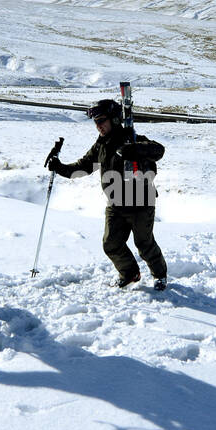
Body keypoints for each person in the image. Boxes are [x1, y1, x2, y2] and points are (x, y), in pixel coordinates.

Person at [48, 98, 168, 290]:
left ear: (113, 119)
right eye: (95, 122)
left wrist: (135, 149)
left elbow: (159, 150)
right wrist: (59, 167)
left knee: (144, 244)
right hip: (116, 203)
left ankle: (160, 275)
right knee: (111, 244)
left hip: (140, 202)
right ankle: (129, 273)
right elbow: (83, 167)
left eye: (101, 120)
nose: (98, 126)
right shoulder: (101, 145)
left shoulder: (133, 138)